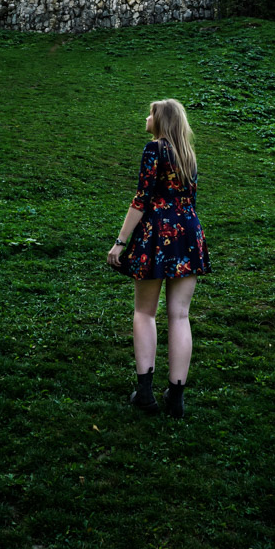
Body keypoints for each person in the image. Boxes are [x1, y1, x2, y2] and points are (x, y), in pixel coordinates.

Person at [107, 99, 211, 419]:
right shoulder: (187, 156)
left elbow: (141, 201)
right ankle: (176, 398)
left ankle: (146, 394)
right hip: (188, 235)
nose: (146, 117)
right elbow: (188, 200)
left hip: (157, 235)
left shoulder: (154, 150)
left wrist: (119, 243)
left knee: (144, 312)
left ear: (161, 120)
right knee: (180, 316)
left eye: (151, 113)